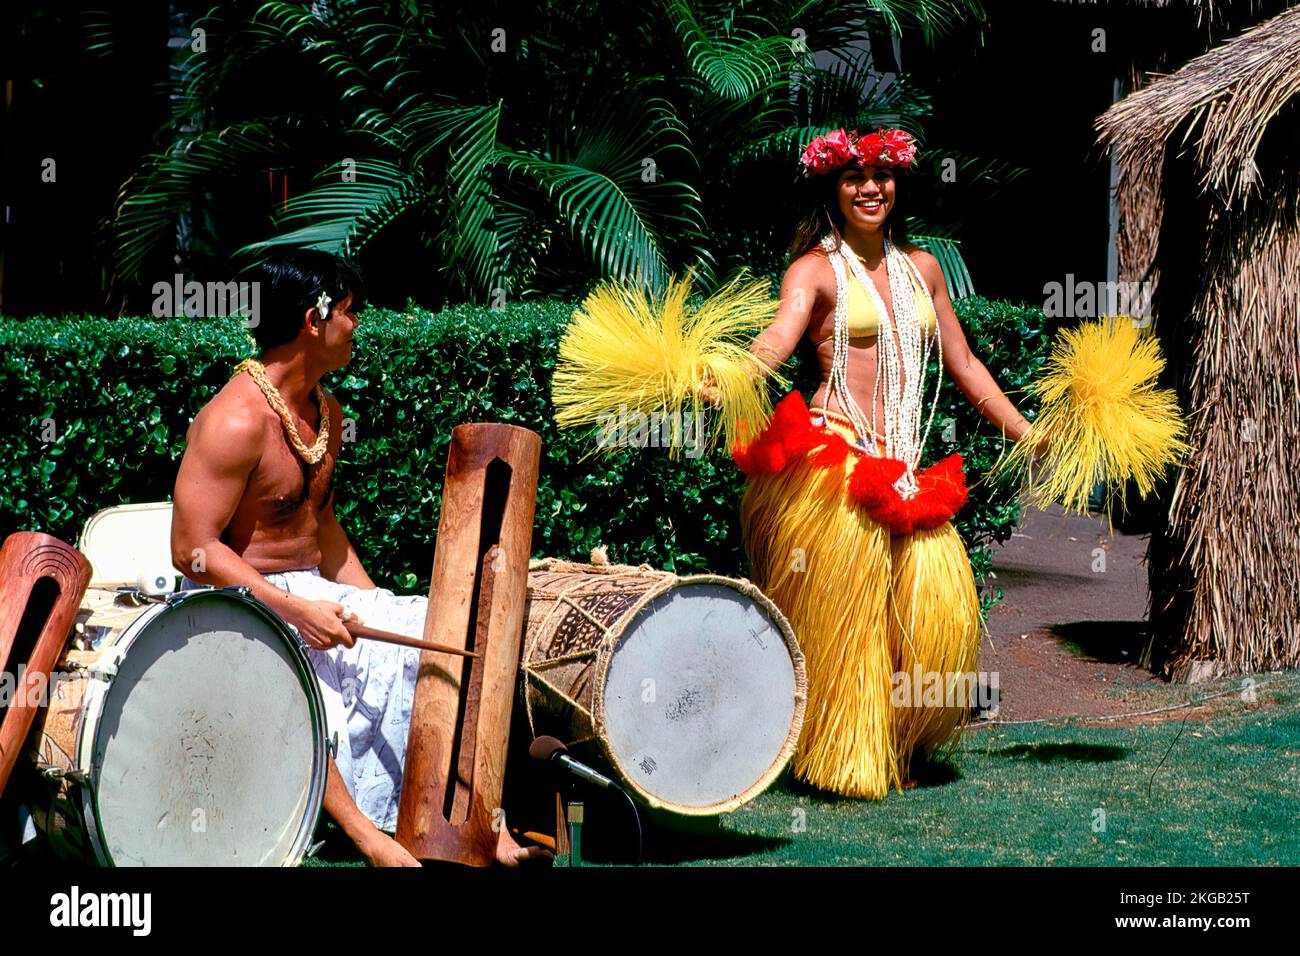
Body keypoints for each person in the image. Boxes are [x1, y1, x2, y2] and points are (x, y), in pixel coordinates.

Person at [170, 250, 550, 865]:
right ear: (313, 319)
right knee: (298, 676)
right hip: (236, 602)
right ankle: (367, 835)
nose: (358, 326)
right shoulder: (234, 420)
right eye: (350, 312)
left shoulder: (327, 412)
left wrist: (378, 610)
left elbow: (318, 523)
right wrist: (296, 610)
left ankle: (473, 819)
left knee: (427, 633)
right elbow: (192, 551)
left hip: (308, 591)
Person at [708, 128, 1045, 798]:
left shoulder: (923, 268)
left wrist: (1022, 430)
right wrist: (732, 373)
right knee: (847, 625)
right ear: (832, 188)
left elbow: (966, 363)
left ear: (899, 185)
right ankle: (841, 756)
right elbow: (781, 333)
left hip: (906, 470)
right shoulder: (813, 270)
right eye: (854, 177)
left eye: (883, 176)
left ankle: (898, 744)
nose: (870, 188)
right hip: (839, 465)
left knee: (924, 625)